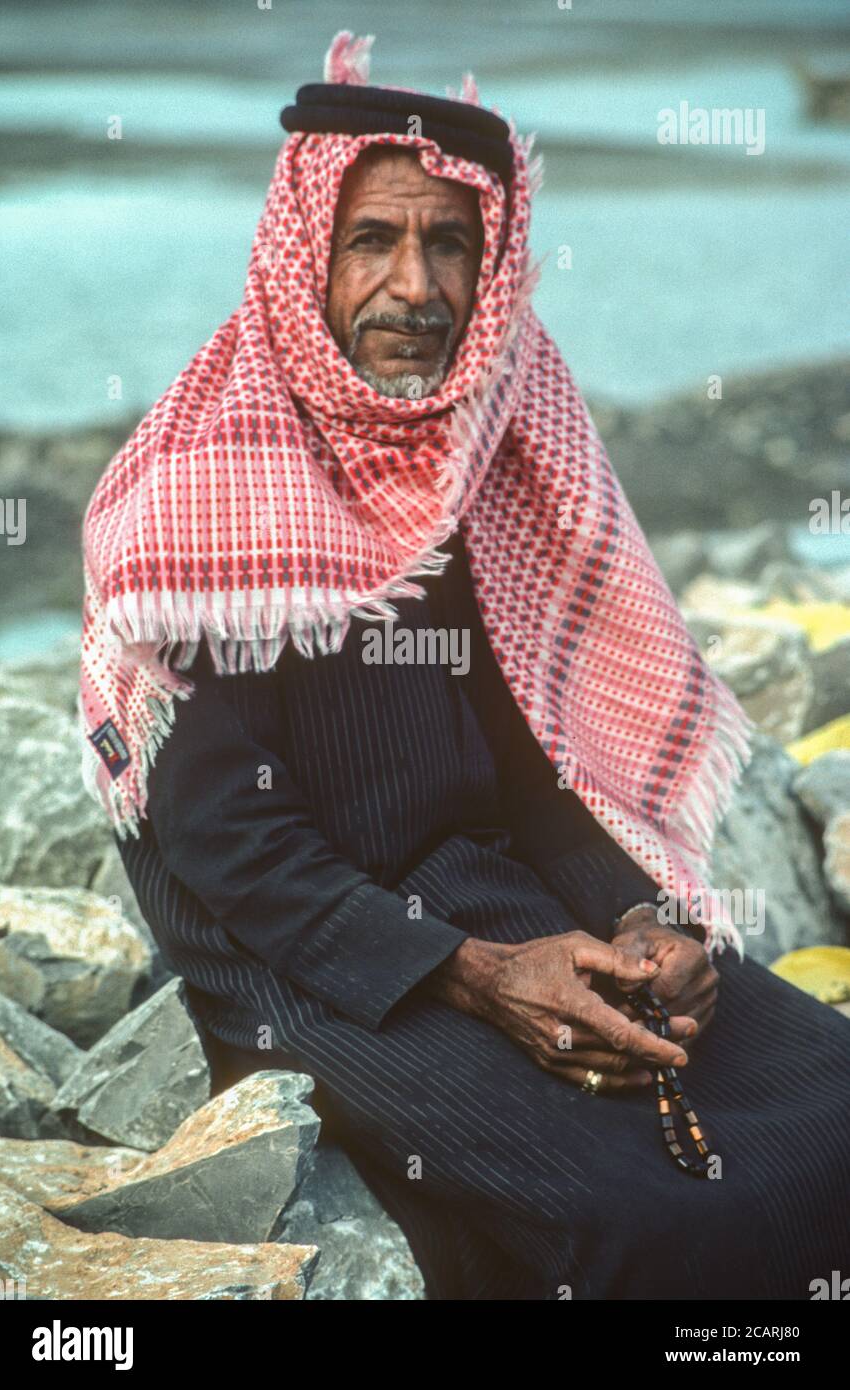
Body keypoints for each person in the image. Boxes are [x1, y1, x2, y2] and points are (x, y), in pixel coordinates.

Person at [80, 32, 850, 1300]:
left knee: (823, 1105)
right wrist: (481, 977)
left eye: (450, 245)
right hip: (304, 959)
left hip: (488, 895)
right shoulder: (199, 492)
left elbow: (536, 764)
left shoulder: (471, 459)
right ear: (306, 259)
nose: (415, 286)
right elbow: (227, 845)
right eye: (373, 239)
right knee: (651, 1221)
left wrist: (649, 918)